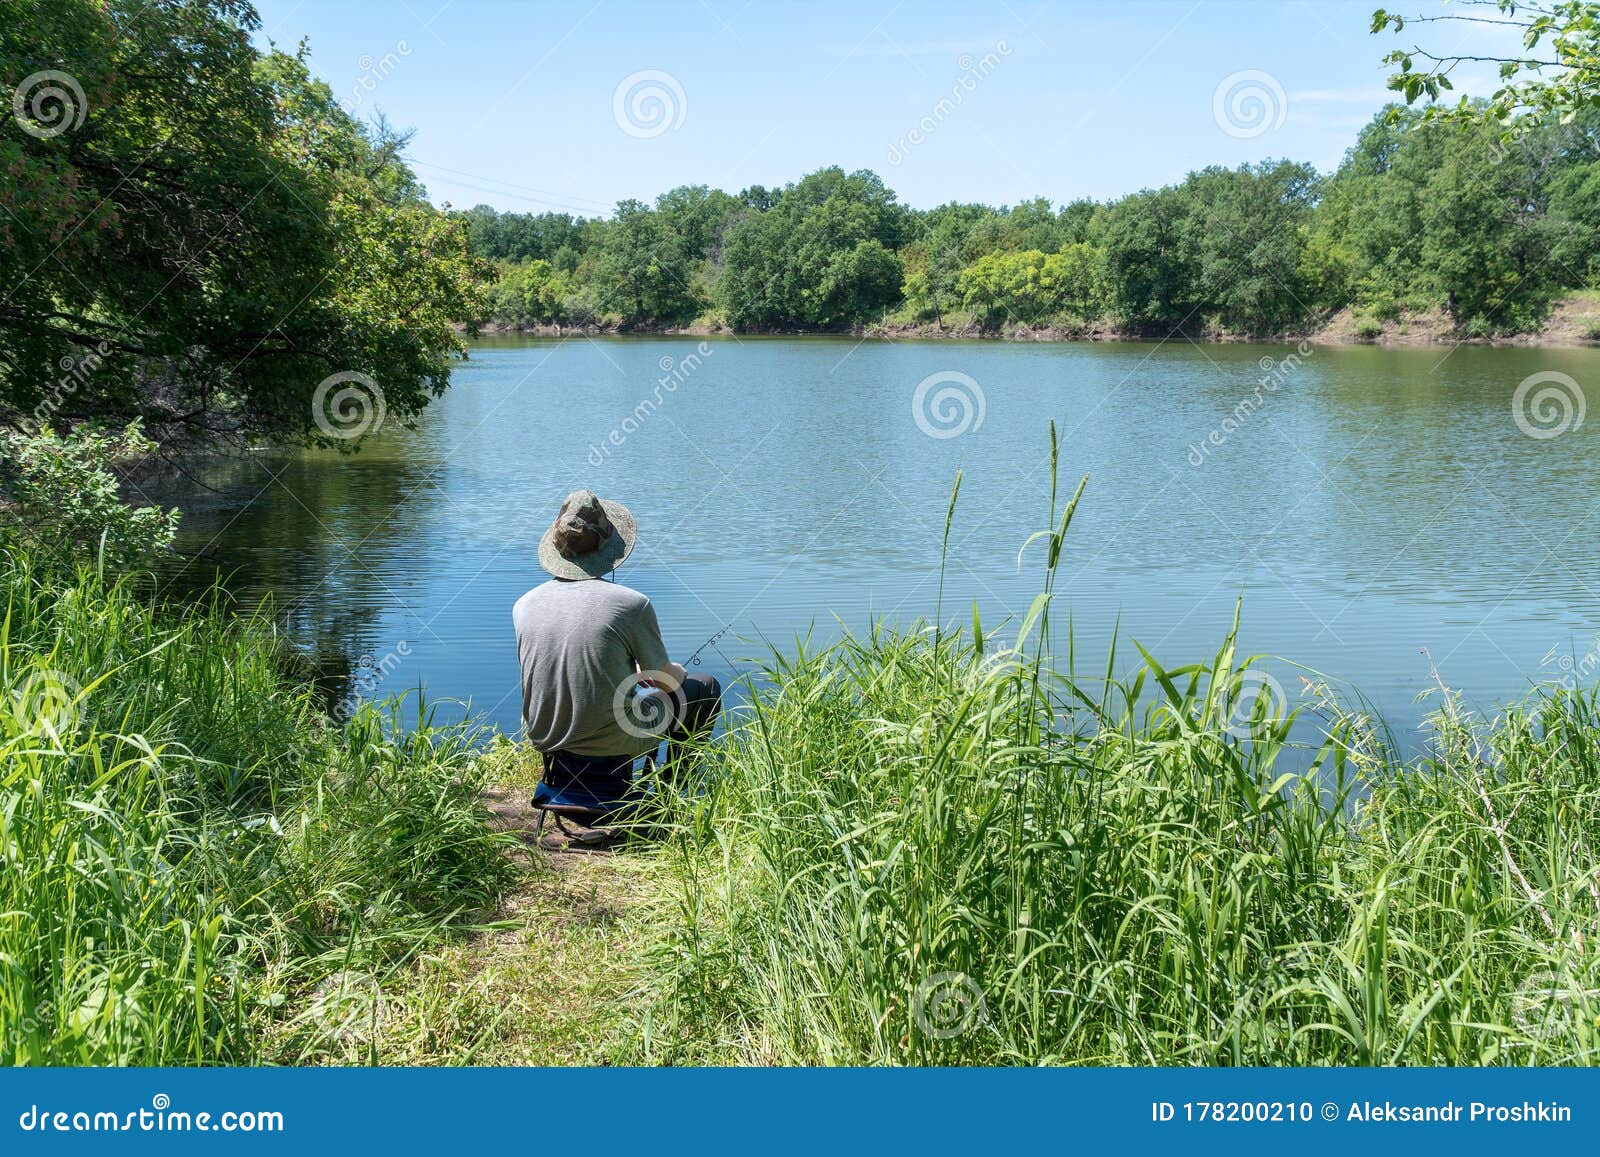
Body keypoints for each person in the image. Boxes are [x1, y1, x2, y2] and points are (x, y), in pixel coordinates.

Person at [513, 489, 721, 814]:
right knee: (704, 687)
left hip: (547, 739)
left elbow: (564, 668)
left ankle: (580, 786)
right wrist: (675, 671)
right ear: (606, 549)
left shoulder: (523, 606)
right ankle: (672, 801)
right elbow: (665, 683)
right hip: (612, 742)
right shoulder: (631, 604)